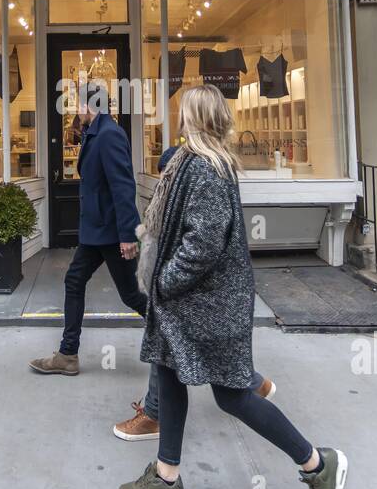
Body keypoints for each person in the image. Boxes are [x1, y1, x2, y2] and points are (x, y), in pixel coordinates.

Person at [117, 84, 348, 489]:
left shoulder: (206, 168)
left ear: (197, 118)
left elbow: (202, 244)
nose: (179, 117)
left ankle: (317, 464)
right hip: (192, 305)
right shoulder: (196, 161)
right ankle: (166, 477)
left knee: (233, 396)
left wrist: (165, 280)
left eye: (185, 112)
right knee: (168, 373)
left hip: (208, 305)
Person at [112, 142, 273, 441]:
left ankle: (155, 418)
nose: (162, 183)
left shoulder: (198, 190)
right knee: (188, 359)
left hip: (190, 296)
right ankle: (254, 383)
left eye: (166, 176)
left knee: (199, 371)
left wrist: (163, 284)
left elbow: (200, 249)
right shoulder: (188, 191)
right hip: (193, 296)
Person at [30, 80, 145, 375]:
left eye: (79, 104)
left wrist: (127, 235)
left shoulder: (109, 135)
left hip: (110, 232)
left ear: (89, 106)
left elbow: (123, 186)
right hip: (96, 231)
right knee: (74, 280)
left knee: (131, 295)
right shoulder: (96, 132)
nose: (76, 110)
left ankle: (176, 335)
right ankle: (68, 354)